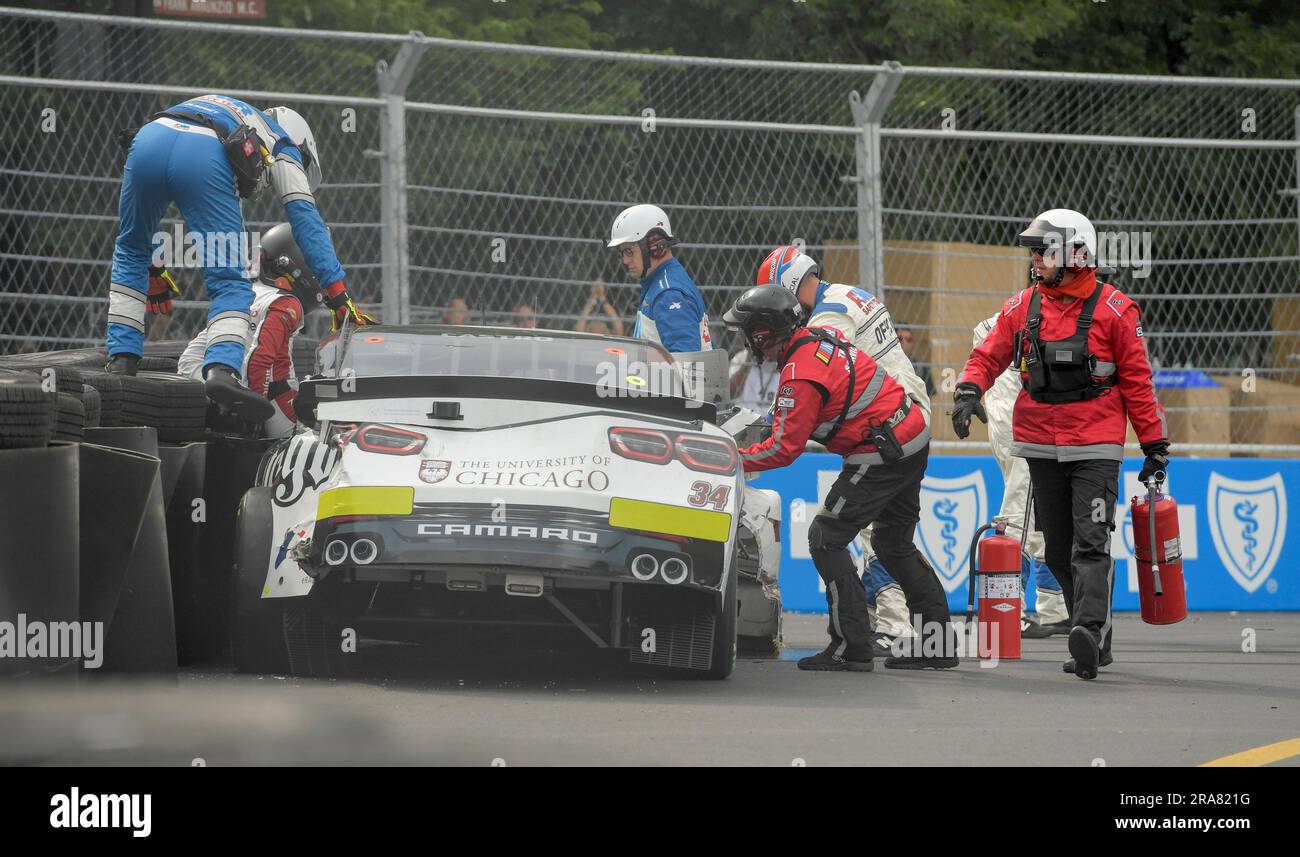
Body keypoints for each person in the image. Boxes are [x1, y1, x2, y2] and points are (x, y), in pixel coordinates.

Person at [952, 209, 1169, 680]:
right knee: (1056, 549)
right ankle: (1095, 639)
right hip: (1039, 445)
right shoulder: (1022, 307)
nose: (1035, 258)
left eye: (1044, 249)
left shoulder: (1116, 310)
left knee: (1090, 546)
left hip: (1095, 447)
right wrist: (969, 391)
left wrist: (1154, 445)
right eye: (1033, 250)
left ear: (1077, 253)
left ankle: (1087, 631)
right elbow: (985, 355)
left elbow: (1137, 382)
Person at [724, 285, 956, 672]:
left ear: (762, 334)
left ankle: (851, 646)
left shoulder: (799, 374)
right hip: (910, 433)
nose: (743, 339)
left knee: (824, 538)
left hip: (882, 449)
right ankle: (938, 646)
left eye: (746, 331)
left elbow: (783, 448)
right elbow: (798, 416)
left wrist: (729, 458)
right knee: (892, 542)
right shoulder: (814, 338)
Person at [105, 94, 372, 422]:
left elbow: (178, 146)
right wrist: (338, 294)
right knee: (230, 280)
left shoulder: (235, 111)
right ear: (301, 147)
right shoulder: (282, 143)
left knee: (132, 249)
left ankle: (122, 360)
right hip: (202, 153)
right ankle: (222, 371)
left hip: (149, 137)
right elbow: (305, 219)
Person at [972, 314, 1069, 637]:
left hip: (1014, 418)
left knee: (1042, 512)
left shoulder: (1007, 318)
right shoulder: (1035, 316)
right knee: (1021, 511)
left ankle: (1054, 609)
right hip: (1019, 422)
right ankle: (1009, 608)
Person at [178, 223, 320, 438]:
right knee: (304, 433)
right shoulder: (287, 303)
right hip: (248, 389)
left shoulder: (241, 291)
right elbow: (261, 359)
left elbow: (192, 355)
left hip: (195, 375)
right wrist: (254, 407)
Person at [606, 204, 711, 353]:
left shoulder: (668, 293)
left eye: (629, 251)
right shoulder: (661, 283)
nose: (625, 260)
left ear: (654, 246)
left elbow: (684, 365)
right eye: (622, 253)